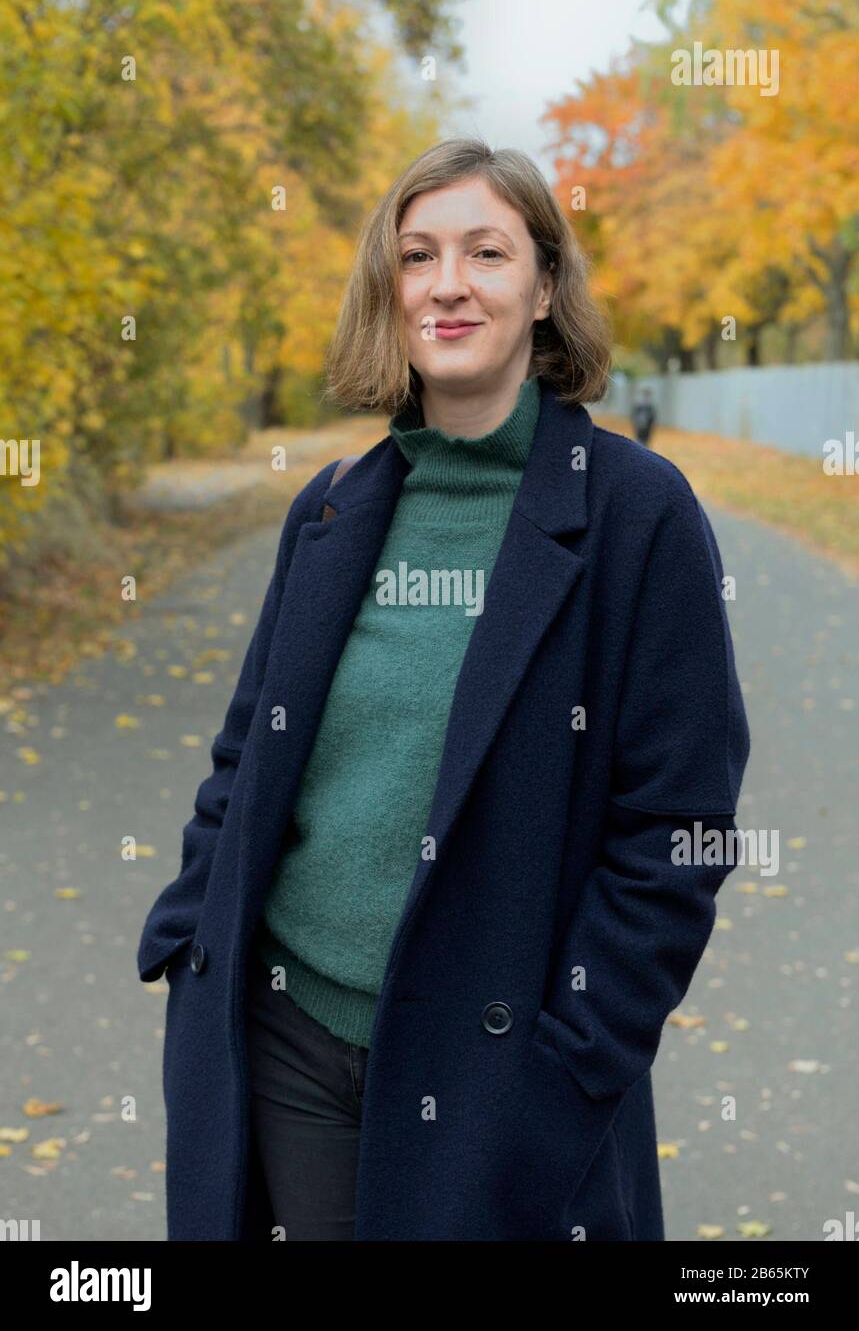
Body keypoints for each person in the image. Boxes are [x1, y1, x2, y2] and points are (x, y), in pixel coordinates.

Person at [138, 136, 750, 1242]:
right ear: (391, 290)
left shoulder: (635, 513)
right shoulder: (332, 506)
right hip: (290, 1040)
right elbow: (247, 755)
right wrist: (191, 931)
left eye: (486, 251)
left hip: (497, 1074)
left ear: (545, 288)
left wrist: (572, 1055)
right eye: (417, 256)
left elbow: (679, 832)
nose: (448, 283)